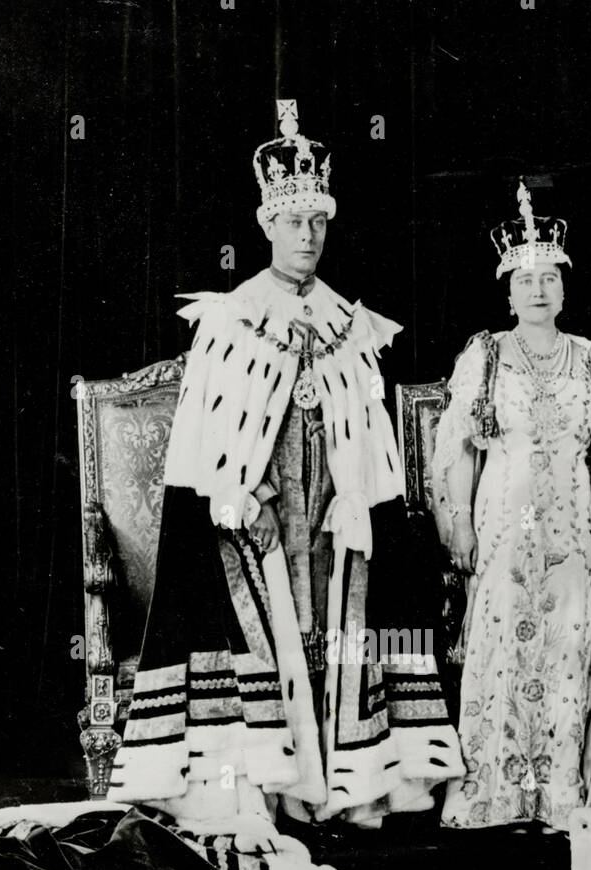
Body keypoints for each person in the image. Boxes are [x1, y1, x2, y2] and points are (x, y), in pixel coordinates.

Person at [108, 99, 464, 830]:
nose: (307, 236)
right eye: (294, 222)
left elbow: (370, 433)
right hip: (256, 528)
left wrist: (355, 493)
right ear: (267, 224)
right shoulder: (231, 320)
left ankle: (350, 781)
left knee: (343, 636)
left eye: (318, 223)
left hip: (336, 522)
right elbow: (209, 445)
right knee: (268, 643)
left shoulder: (348, 322)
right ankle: (268, 784)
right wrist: (252, 496)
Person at [431, 180, 591, 832]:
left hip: (572, 535)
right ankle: (495, 796)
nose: (538, 289)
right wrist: (459, 524)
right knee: (501, 647)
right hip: (502, 530)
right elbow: (459, 453)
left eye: (549, 276)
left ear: (565, 284)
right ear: (506, 289)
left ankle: (561, 796)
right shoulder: (486, 357)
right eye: (525, 280)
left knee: (566, 650)